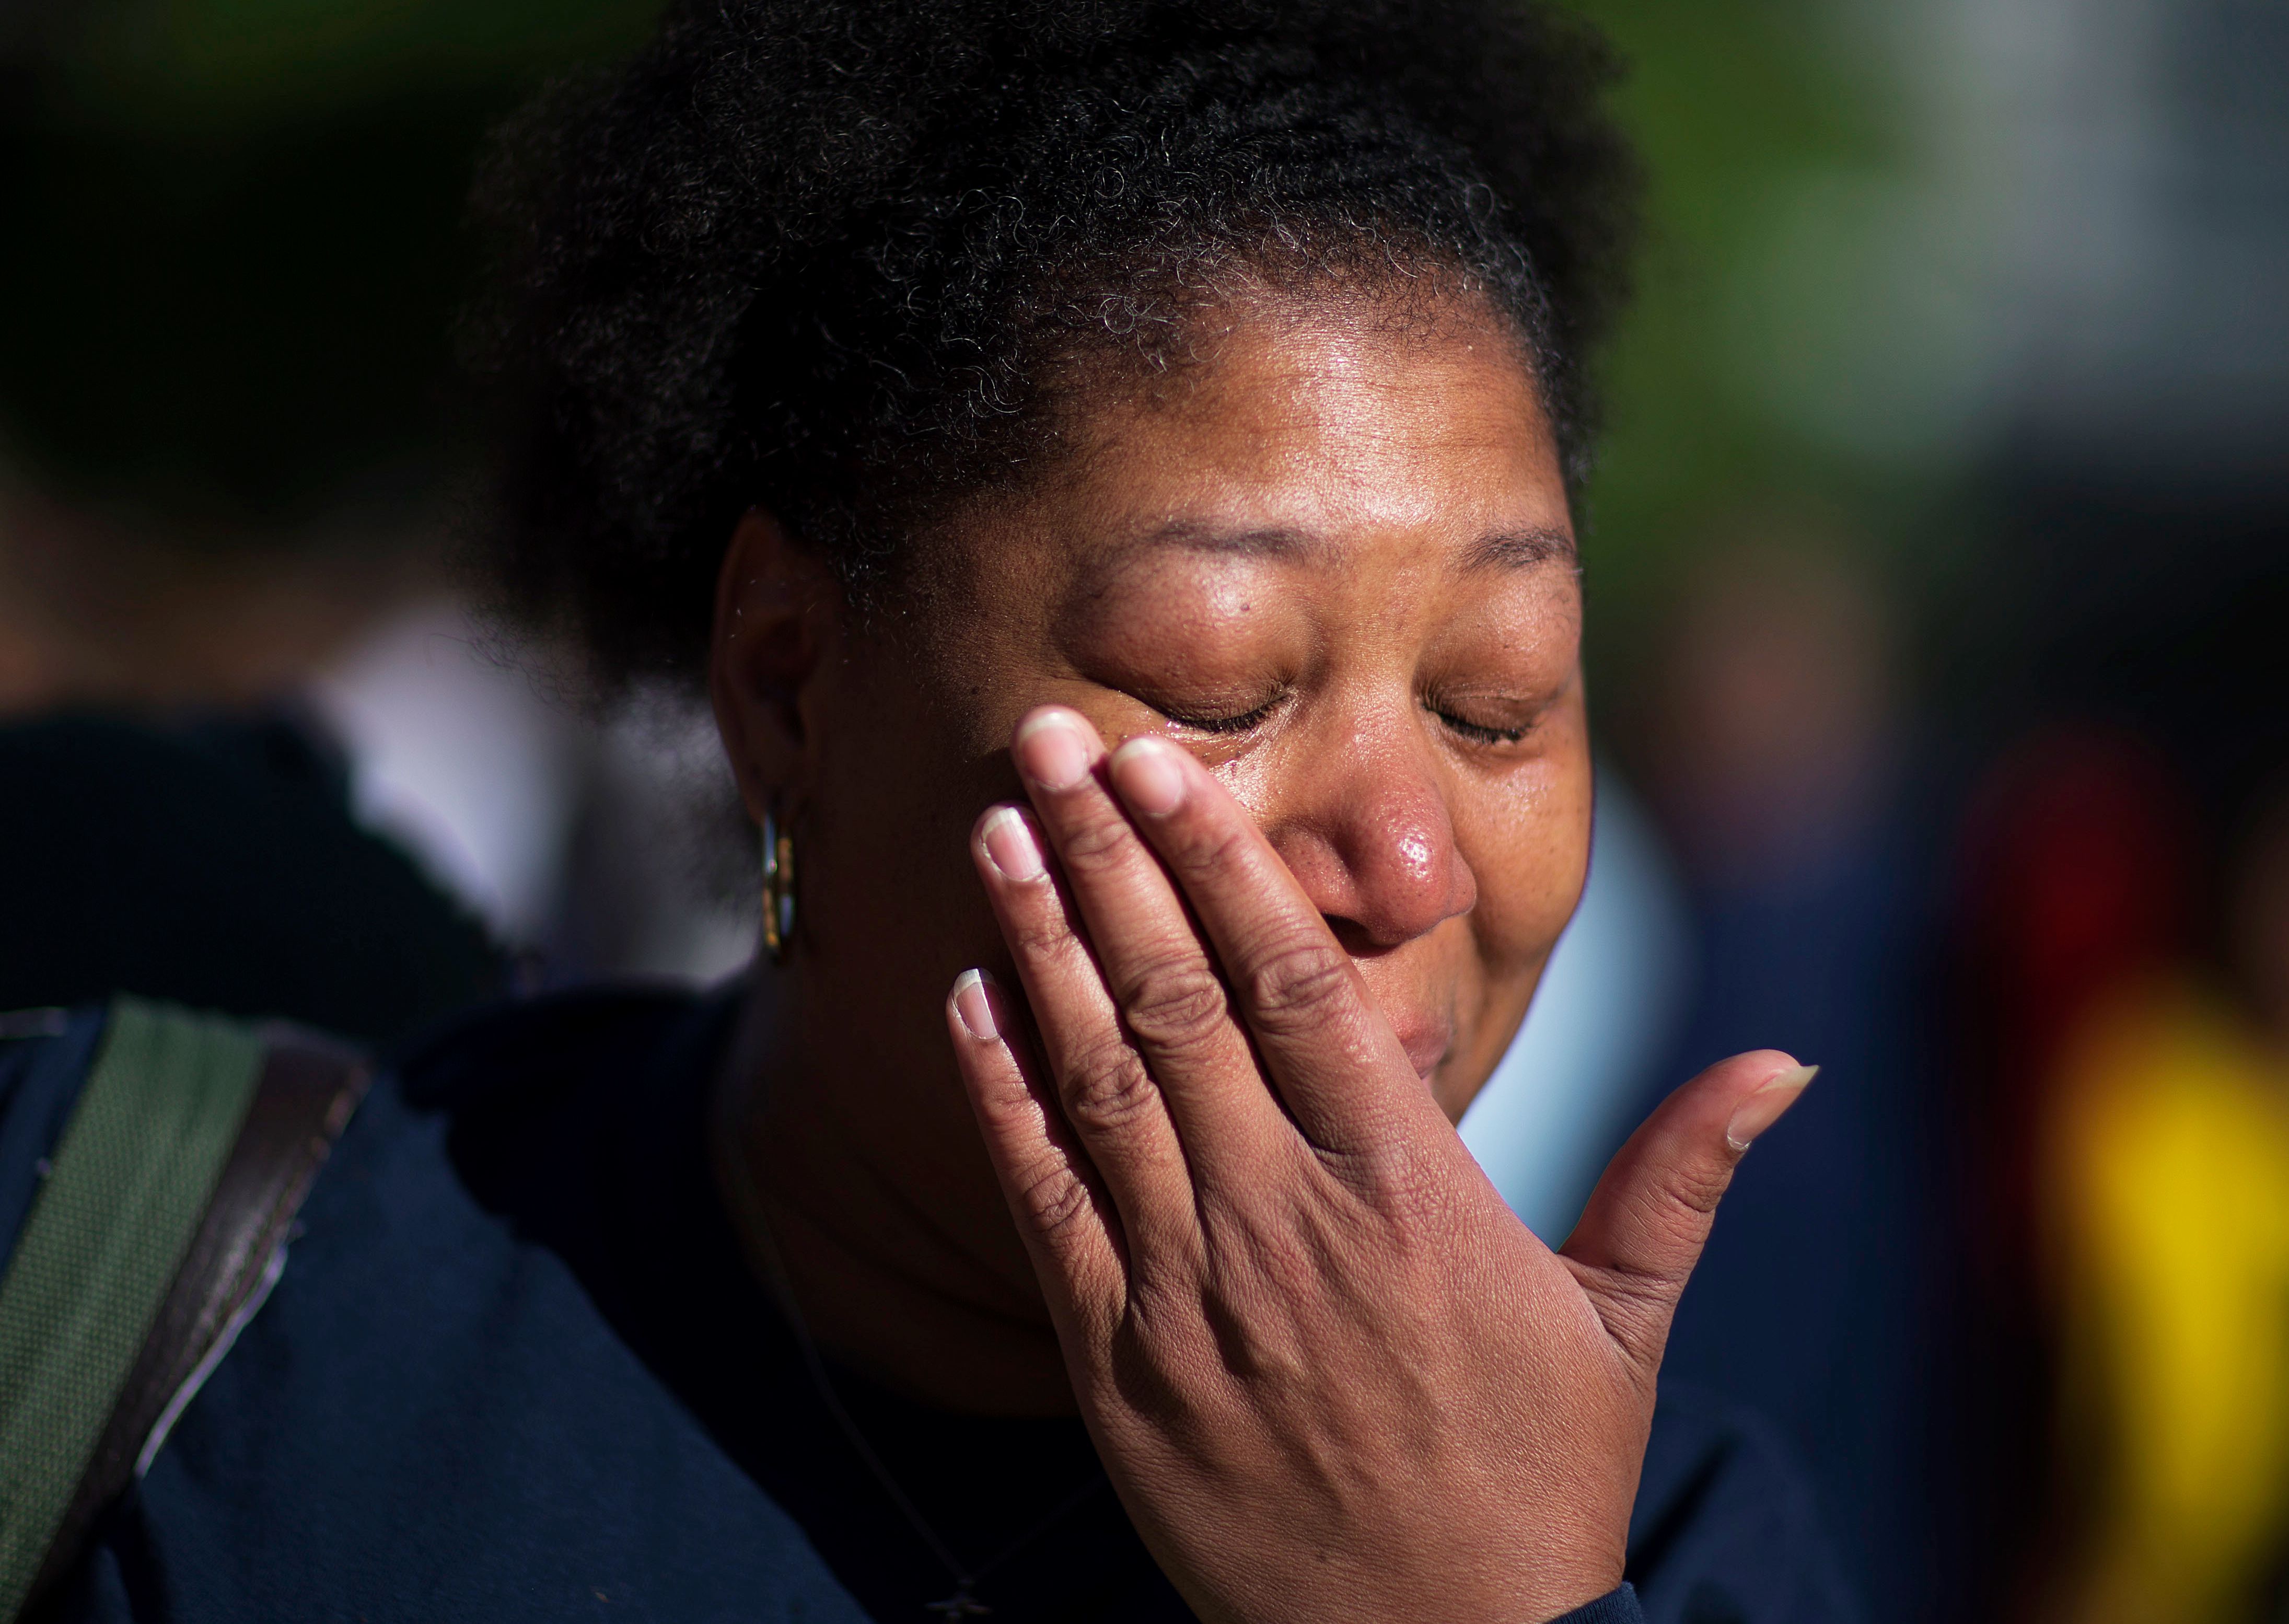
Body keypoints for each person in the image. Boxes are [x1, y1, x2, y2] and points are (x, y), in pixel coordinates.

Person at [19, 1, 1852, 1618]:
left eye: (1495, 704)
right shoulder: (168, 1319)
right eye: (1223, 688)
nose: (1410, 858)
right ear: (787, 681)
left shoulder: (1674, 1551)